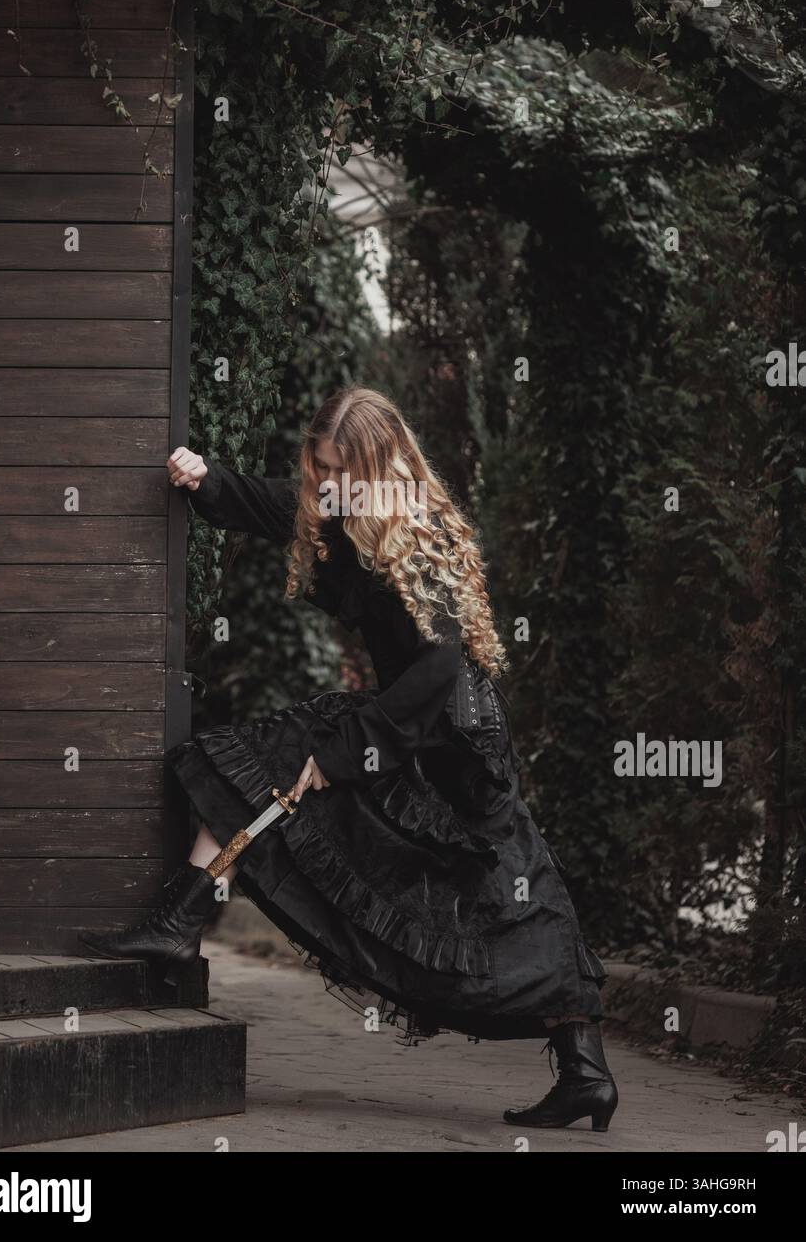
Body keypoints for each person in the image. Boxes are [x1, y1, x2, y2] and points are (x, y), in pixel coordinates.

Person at [79, 387, 618, 1131]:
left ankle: (585, 1070)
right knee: (269, 757)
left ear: (373, 464)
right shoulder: (342, 505)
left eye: (336, 469)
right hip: (409, 719)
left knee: (511, 885)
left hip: (456, 735)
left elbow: (437, 667)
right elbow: (277, 505)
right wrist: (204, 480)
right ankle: (183, 914)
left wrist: (348, 754)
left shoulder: (416, 527)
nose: (324, 481)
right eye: (319, 466)